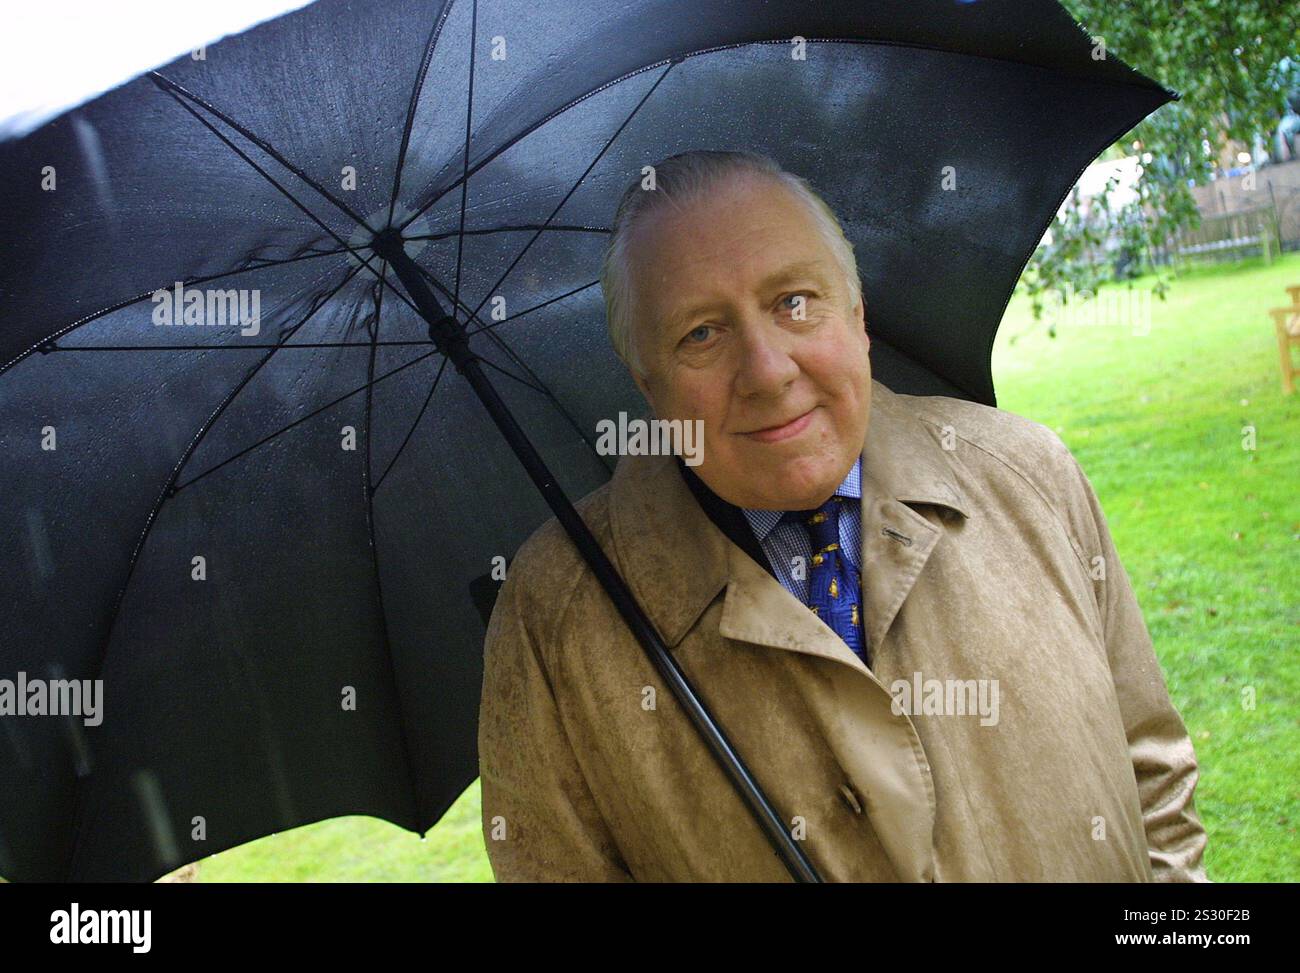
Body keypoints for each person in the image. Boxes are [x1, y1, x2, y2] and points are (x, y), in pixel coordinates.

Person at [477, 149, 1209, 882]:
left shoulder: (1029, 473)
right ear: (650, 383)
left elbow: (1154, 779)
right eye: (701, 333)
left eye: (794, 302)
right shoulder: (554, 616)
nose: (767, 370)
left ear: (857, 317)